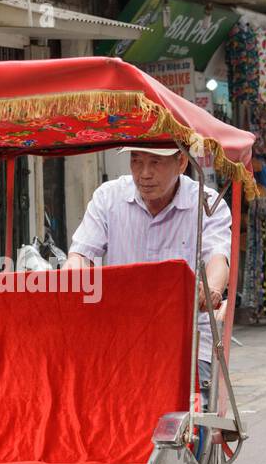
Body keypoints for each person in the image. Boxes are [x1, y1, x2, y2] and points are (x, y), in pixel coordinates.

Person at [64, 145, 230, 401]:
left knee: (190, 412)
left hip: (187, 338)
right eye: (136, 161)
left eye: (155, 163)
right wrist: (74, 273)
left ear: (182, 162)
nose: (144, 174)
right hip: (121, 335)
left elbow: (218, 259)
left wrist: (212, 290)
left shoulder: (207, 204)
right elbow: (81, 253)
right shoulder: (109, 197)